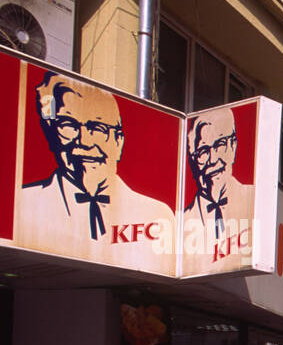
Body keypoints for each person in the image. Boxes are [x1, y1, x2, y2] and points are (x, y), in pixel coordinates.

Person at [18, 71, 173, 267]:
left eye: (98, 128)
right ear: (51, 135)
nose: (85, 141)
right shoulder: (23, 204)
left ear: (119, 142)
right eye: (68, 125)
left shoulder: (157, 214)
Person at [182, 105, 255, 275]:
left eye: (219, 145)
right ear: (193, 161)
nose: (213, 159)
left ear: (233, 147)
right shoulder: (181, 221)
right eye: (203, 151)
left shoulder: (254, 202)